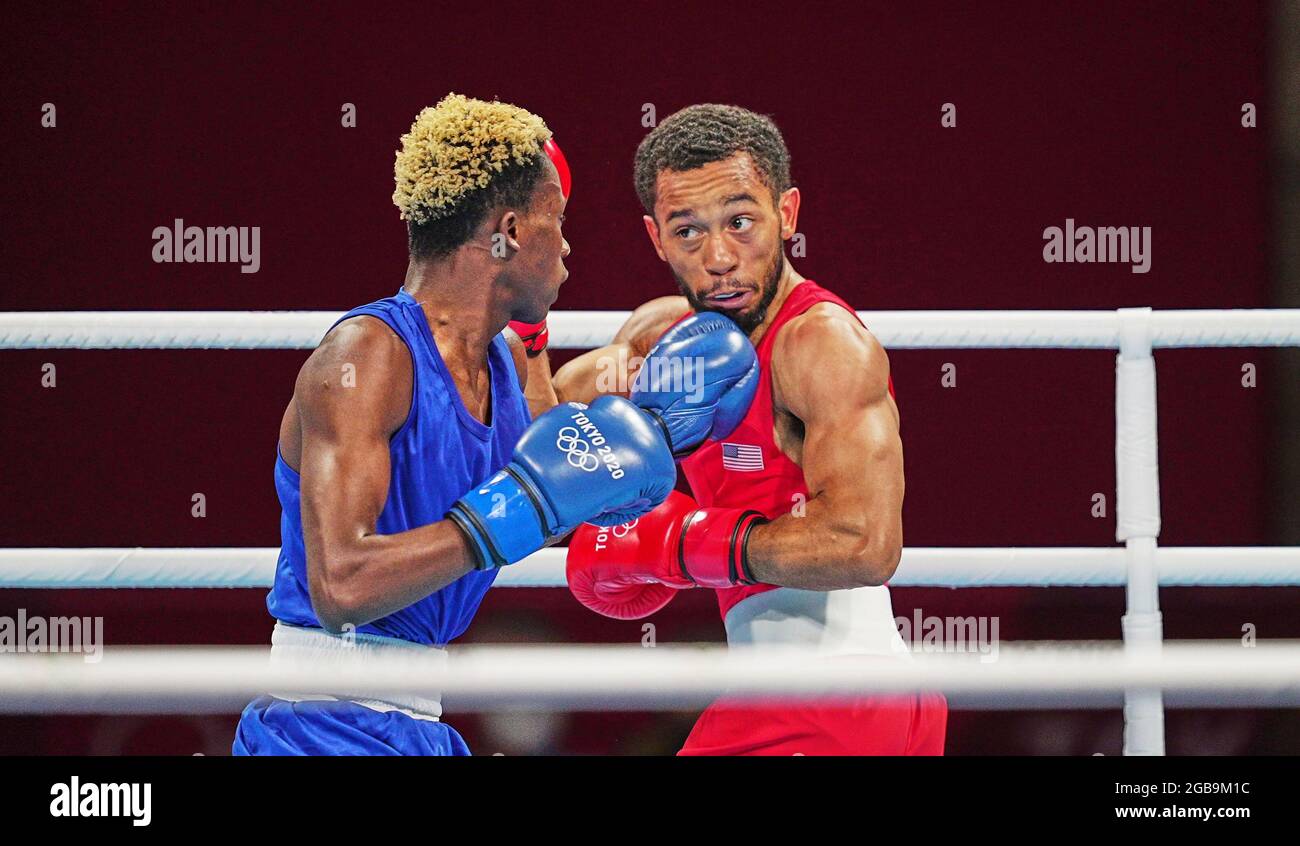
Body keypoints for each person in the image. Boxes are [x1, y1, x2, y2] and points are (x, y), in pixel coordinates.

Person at [232, 94, 704, 756]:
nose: (568, 245)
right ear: (507, 231)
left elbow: (543, 503)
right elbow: (342, 584)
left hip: (420, 720)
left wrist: (626, 463)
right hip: (322, 723)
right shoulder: (368, 357)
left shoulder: (506, 364)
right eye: (557, 221)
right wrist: (519, 510)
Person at [556, 103, 948, 755]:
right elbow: (540, 428)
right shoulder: (661, 338)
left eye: (740, 222)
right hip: (786, 695)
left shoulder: (820, 344)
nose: (718, 257)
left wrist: (685, 544)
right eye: (689, 232)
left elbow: (865, 545)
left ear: (787, 214)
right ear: (656, 238)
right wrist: (538, 326)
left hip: (838, 693)